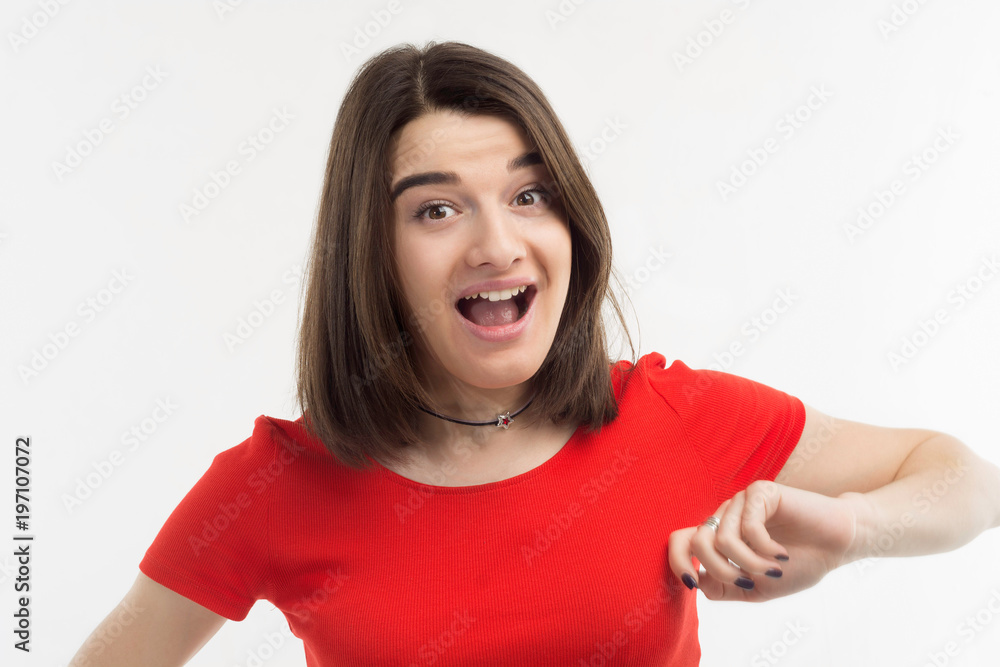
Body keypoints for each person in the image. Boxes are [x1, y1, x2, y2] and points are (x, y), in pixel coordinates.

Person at [70, 40, 1000, 666]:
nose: (498, 244)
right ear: (370, 254)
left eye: (529, 196)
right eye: (437, 209)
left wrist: (849, 532)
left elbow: (969, 481)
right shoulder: (274, 483)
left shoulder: (669, 415)